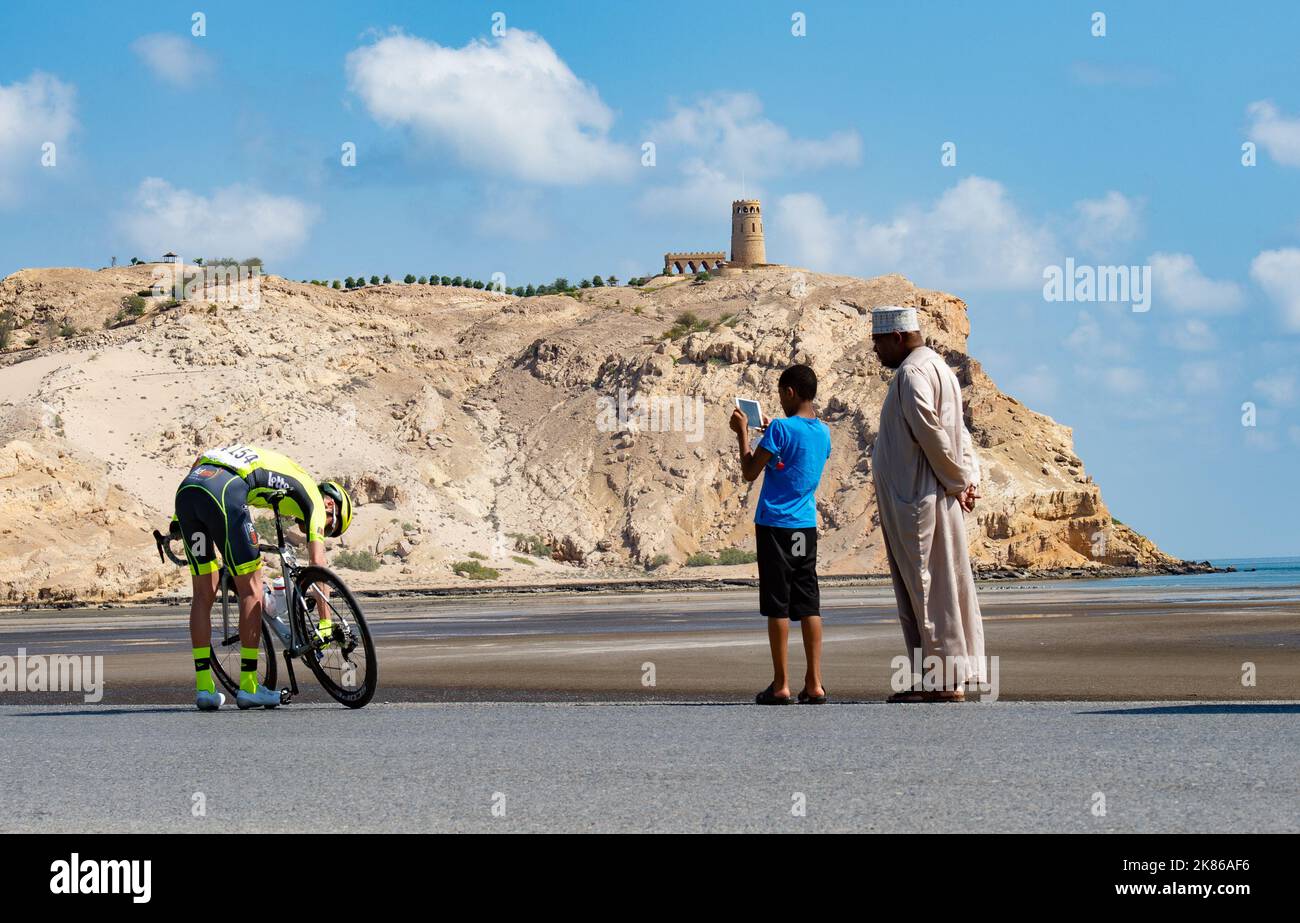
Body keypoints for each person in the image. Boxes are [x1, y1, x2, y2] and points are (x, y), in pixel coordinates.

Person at [172, 444, 353, 711]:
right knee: (251, 590)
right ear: (330, 505)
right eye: (331, 528)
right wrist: (325, 623)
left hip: (189, 491)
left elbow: (201, 458)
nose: (324, 532)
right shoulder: (313, 498)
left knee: (202, 593)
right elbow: (318, 564)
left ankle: (205, 689)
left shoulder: (287, 472)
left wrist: (177, 521)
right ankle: (249, 686)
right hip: (225, 490)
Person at [869, 306, 985, 703]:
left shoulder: (911, 373)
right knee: (935, 588)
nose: (876, 352)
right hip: (930, 495)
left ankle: (943, 681)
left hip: (920, 500)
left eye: (879, 343)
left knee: (928, 588)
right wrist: (967, 479)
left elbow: (932, 433)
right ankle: (935, 677)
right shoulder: (938, 368)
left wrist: (957, 482)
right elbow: (960, 434)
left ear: (898, 337)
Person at [729, 364, 833, 705]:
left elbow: (748, 471)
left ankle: (781, 684)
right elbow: (791, 464)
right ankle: (815, 682)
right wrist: (776, 434)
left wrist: (743, 433)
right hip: (805, 524)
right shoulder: (823, 433)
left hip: (775, 524)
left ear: (789, 392)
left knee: (778, 603)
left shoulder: (780, 431)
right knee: (808, 602)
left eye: (780, 393)